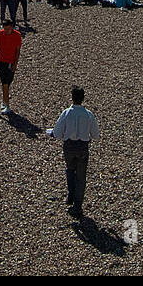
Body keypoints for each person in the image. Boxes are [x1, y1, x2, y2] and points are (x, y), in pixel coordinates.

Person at [46, 86, 101, 218]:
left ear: (72, 97)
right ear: (83, 98)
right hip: (82, 147)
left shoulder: (66, 113)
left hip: (69, 147)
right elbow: (96, 135)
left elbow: (58, 133)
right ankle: (78, 206)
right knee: (81, 177)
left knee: (70, 170)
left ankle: (70, 194)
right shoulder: (88, 114)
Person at [0, 18, 22, 114]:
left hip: (11, 61)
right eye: (5, 29)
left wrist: (15, 64)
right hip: (1, 61)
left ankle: (4, 99)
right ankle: (6, 104)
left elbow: (17, 51)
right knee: (5, 83)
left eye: (8, 29)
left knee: (8, 82)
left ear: (11, 27)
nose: (6, 31)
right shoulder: (0, 34)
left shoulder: (17, 35)